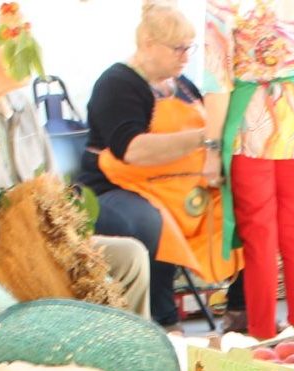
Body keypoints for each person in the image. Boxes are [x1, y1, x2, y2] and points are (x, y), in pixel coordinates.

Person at [0, 38, 153, 318]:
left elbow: (53, 184)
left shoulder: (22, 105)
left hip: (45, 242)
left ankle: (129, 354)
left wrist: (70, 237)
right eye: (19, 41)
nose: (34, 52)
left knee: (130, 257)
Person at [78, 5, 225, 333]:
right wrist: (204, 137)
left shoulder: (183, 85)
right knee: (152, 221)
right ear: (147, 43)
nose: (186, 56)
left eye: (190, 46)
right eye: (178, 48)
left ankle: (242, 312)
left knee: (244, 206)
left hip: (178, 185)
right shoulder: (117, 84)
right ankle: (163, 323)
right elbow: (134, 150)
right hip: (112, 190)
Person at [204, 0, 294, 341]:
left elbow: (217, 83)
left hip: (253, 126)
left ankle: (263, 337)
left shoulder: (225, 8)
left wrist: (211, 149)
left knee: (259, 237)